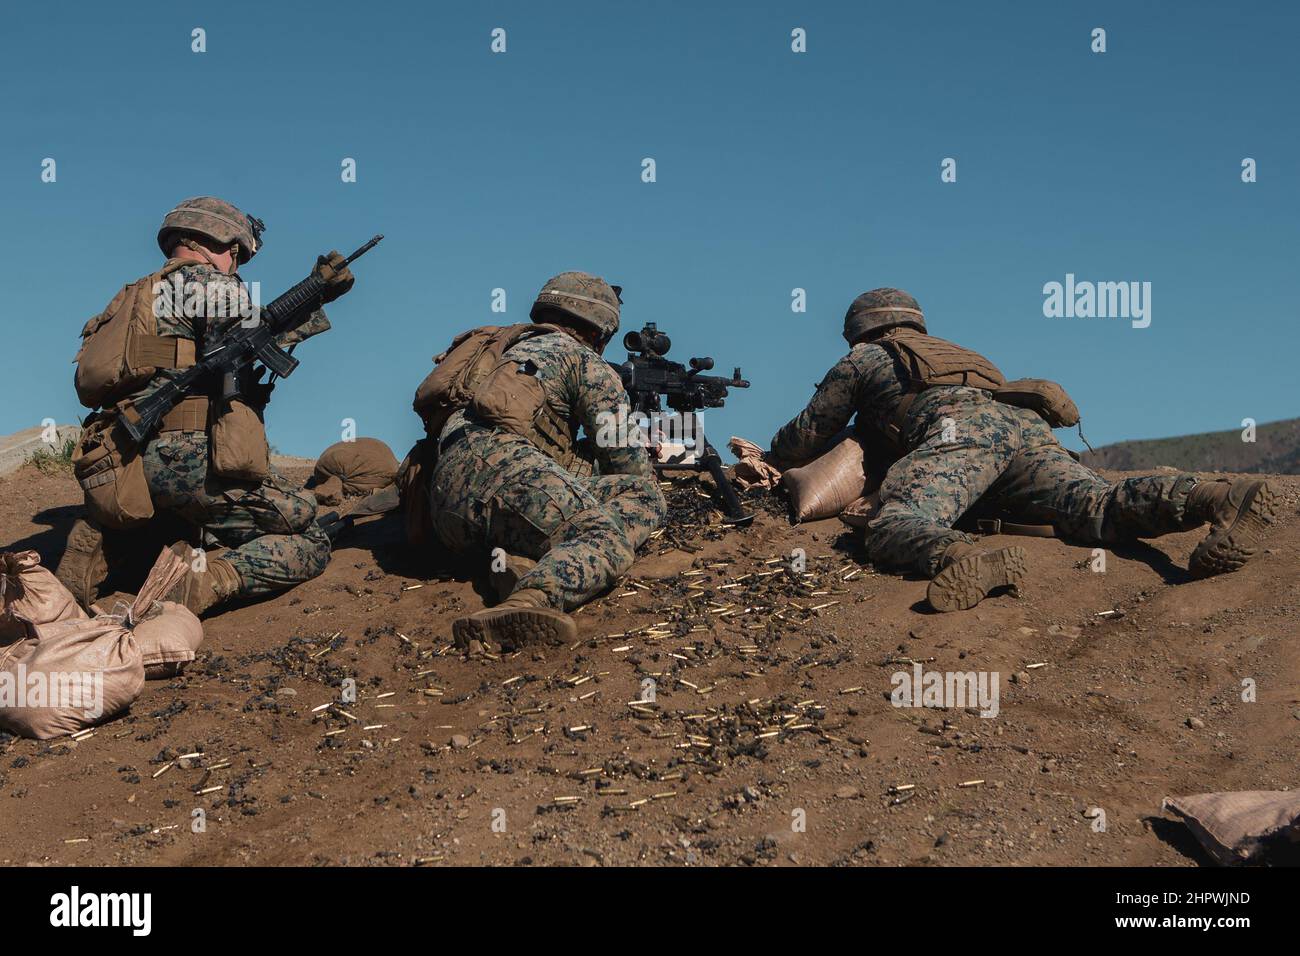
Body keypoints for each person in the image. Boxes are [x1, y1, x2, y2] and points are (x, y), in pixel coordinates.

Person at [769, 287, 1275, 611]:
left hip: (958, 434)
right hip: (1023, 429)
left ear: (860, 330)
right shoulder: (962, 355)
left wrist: (771, 456)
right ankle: (1214, 498)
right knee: (1095, 507)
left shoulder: (865, 358)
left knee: (895, 521)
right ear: (916, 323)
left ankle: (956, 556)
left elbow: (808, 434)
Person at [57, 197, 355, 615]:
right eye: (238, 255)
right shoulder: (206, 282)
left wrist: (310, 295)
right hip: (187, 457)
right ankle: (204, 585)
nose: (237, 265)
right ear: (225, 244)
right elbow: (251, 338)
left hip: (128, 463)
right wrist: (317, 294)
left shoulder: (138, 294)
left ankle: (111, 543)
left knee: (192, 526)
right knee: (307, 527)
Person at [425, 271, 667, 649]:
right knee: (615, 524)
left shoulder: (502, 348)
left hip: (443, 508)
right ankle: (530, 599)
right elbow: (630, 467)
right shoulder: (582, 359)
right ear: (598, 331)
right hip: (505, 469)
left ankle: (522, 563)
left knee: (568, 506)